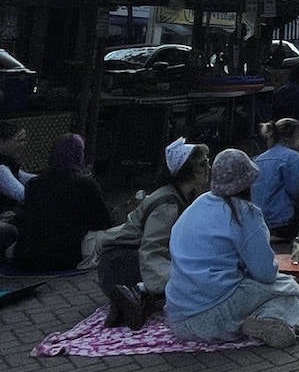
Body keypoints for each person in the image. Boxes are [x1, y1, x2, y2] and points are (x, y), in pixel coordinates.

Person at [166, 149, 299, 348]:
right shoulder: (245, 212)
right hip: (215, 312)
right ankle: (264, 318)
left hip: (179, 319)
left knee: (271, 287)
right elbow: (266, 273)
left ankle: (248, 322)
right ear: (248, 182)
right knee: (290, 288)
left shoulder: (197, 205)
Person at [97, 138, 210, 329]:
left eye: (207, 162)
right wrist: (172, 281)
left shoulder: (186, 195)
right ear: (186, 171)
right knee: (186, 282)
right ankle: (135, 297)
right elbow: (152, 248)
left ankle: (137, 299)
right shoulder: (167, 203)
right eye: (202, 164)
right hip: (120, 264)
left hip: (130, 258)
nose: (208, 168)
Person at [12, 133, 113, 271]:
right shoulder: (86, 184)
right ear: (79, 156)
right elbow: (103, 222)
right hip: (67, 257)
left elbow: (28, 217)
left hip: (27, 256)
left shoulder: (34, 184)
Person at [252, 118, 299, 238]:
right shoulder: (293, 158)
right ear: (290, 137)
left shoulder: (259, 159)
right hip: (283, 220)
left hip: (259, 220)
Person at [0, 121, 33, 254]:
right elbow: (22, 194)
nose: (23, 144)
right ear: (2, 142)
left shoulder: (8, 164)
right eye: (19, 140)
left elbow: (23, 177)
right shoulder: (1, 169)